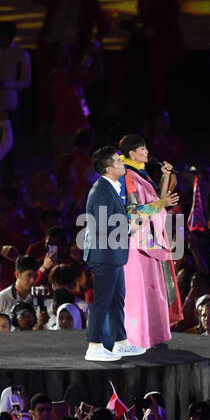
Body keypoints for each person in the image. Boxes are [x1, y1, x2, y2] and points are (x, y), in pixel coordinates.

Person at [119, 135, 181, 349]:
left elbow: (157, 205)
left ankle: (153, 337)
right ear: (131, 153)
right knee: (142, 292)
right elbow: (134, 213)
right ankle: (138, 338)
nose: (147, 152)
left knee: (155, 290)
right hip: (138, 244)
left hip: (151, 239)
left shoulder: (140, 174)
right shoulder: (128, 176)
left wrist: (164, 178)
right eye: (142, 149)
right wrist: (162, 202)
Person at [81, 147, 143, 362]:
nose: (123, 162)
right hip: (103, 254)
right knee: (103, 300)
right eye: (118, 160)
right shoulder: (101, 190)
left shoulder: (112, 187)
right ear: (108, 169)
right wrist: (129, 228)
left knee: (117, 299)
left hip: (112, 254)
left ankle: (120, 342)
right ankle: (94, 345)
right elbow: (103, 224)